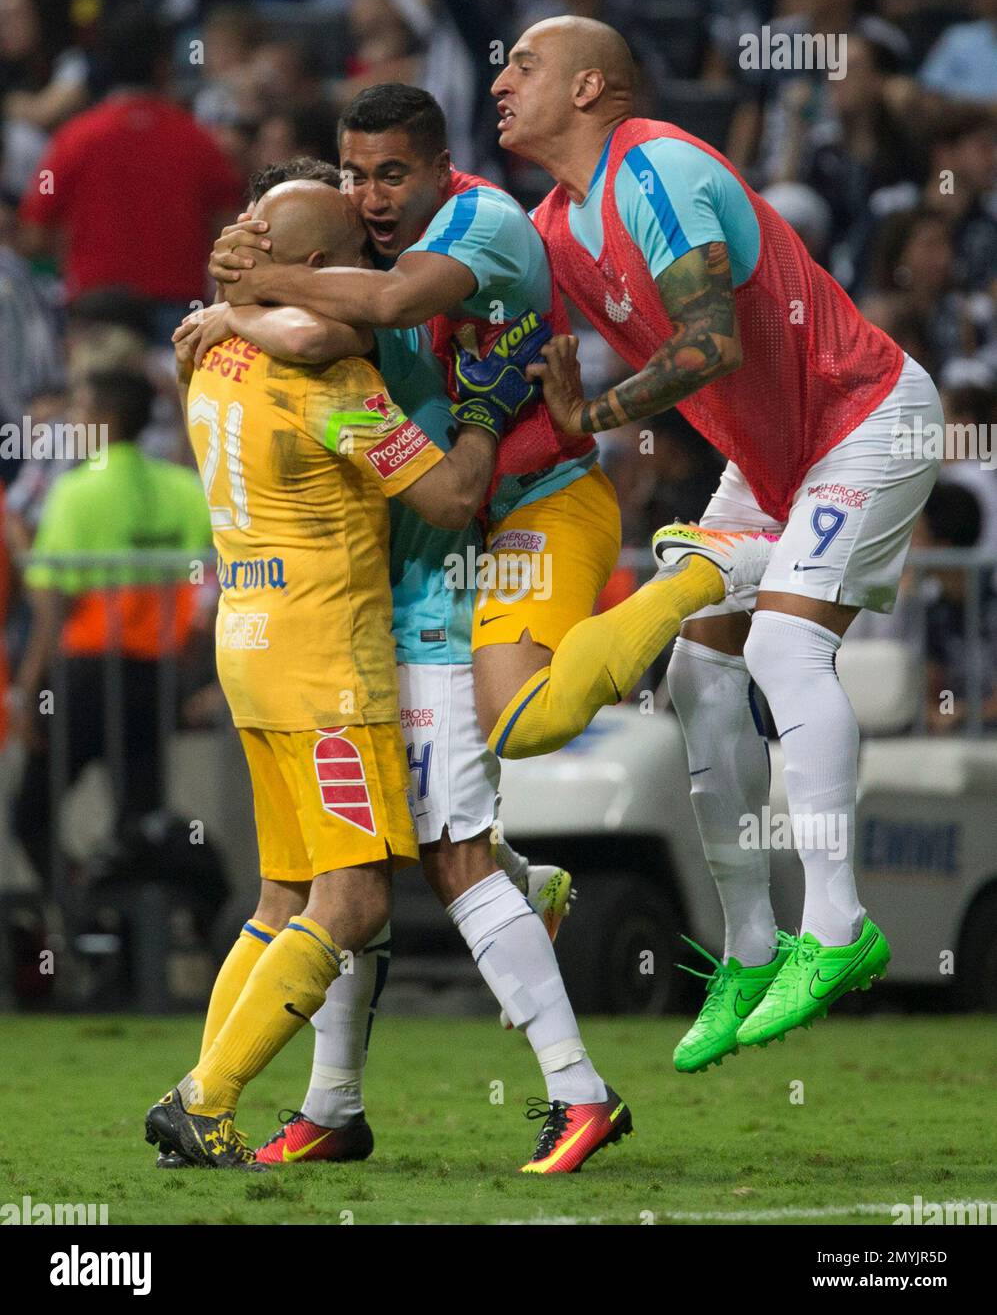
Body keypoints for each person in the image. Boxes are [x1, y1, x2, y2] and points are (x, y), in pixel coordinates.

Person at [493, 15, 942, 1067]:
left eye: (525, 63)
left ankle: (836, 925)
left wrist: (592, 421)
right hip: (778, 455)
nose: (502, 78)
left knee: (786, 647)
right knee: (697, 679)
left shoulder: (651, 168)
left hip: (866, 414)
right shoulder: (559, 221)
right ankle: (747, 944)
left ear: (592, 84)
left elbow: (710, 341)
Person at [176, 161, 634, 1175]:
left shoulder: (210, 353)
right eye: (338, 246)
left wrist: (237, 304)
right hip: (343, 646)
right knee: (373, 882)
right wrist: (477, 406)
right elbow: (423, 466)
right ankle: (284, 1099)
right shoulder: (328, 368)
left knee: (351, 880)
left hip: (317, 636)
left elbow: (323, 321)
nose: (362, 257)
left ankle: (551, 1089)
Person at [206, 83, 773, 773]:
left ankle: (698, 574)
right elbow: (309, 331)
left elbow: (389, 304)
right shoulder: (362, 246)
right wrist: (240, 295)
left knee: (520, 721)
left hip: (541, 499)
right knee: (430, 809)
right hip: (456, 526)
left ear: (440, 169)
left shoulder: (482, 219)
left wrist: (250, 291)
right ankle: (521, 881)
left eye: (393, 174)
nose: (371, 196)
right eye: (355, 176)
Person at [12, 369, 212, 894]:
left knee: (28, 813)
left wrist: (29, 688)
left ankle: (85, 917)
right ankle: (134, 943)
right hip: (157, 682)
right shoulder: (185, 491)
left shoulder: (76, 493)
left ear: (104, 420)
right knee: (139, 825)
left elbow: (53, 605)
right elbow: (210, 594)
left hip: (82, 682)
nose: (74, 421)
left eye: (81, 412)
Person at [18, 7, 243, 341]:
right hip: (180, 311)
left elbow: (35, 235)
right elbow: (230, 229)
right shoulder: (199, 140)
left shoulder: (74, 138)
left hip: (94, 309)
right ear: (163, 65)